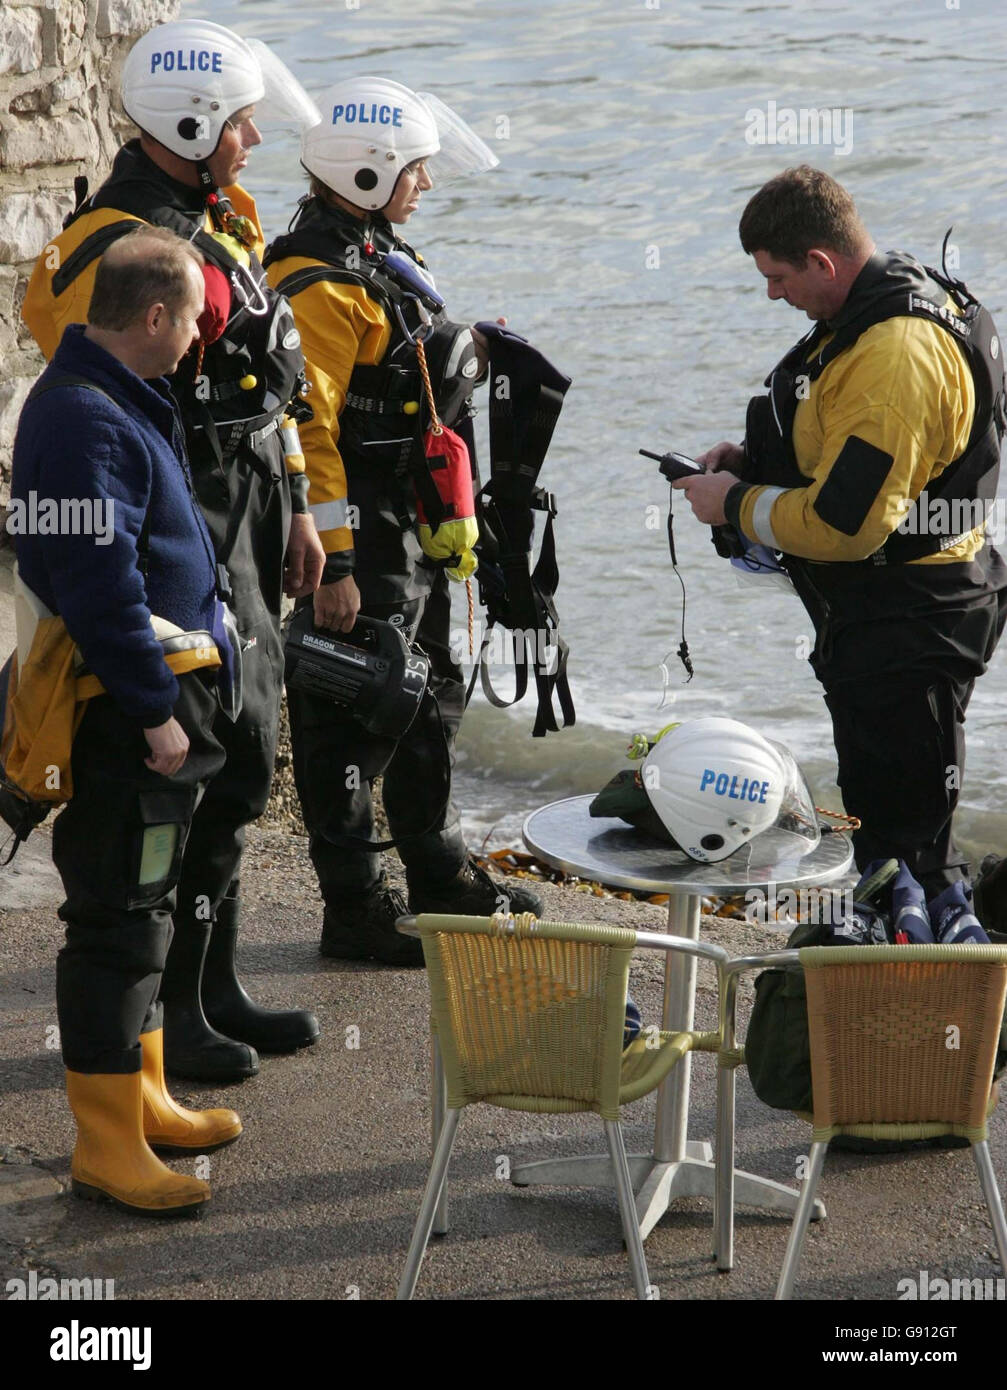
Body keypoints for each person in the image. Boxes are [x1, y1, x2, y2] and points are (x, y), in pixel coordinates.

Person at [22, 20, 325, 1082]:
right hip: (182, 512)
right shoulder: (111, 243)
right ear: (188, 123)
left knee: (242, 757)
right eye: (238, 122)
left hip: (244, 506)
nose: (250, 139)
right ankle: (167, 1017)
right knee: (189, 761)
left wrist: (296, 506)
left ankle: (212, 982)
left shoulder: (219, 219)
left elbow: (266, 379)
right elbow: (115, 387)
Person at [263, 77, 543, 965]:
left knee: (430, 698)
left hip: (406, 524)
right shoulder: (315, 282)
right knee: (350, 710)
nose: (426, 184)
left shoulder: (372, 254)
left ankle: (439, 875)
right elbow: (306, 429)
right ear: (371, 172)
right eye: (415, 171)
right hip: (364, 535)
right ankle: (353, 908)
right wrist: (335, 563)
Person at [674, 165, 1007, 898]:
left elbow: (842, 525)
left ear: (821, 261)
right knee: (896, 824)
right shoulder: (902, 292)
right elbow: (866, 452)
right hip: (919, 603)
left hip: (909, 620)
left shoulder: (893, 355)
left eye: (777, 277)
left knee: (900, 844)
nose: (771, 294)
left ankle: (920, 986)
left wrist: (733, 504)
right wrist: (756, 463)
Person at [11, 227, 244, 1215]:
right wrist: (153, 710)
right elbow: (91, 578)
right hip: (125, 713)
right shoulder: (81, 416)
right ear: (154, 316)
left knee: (147, 905)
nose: (197, 339)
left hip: (155, 692)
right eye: (192, 318)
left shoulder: (105, 400)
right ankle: (105, 1146)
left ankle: (142, 1095)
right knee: (113, 915)